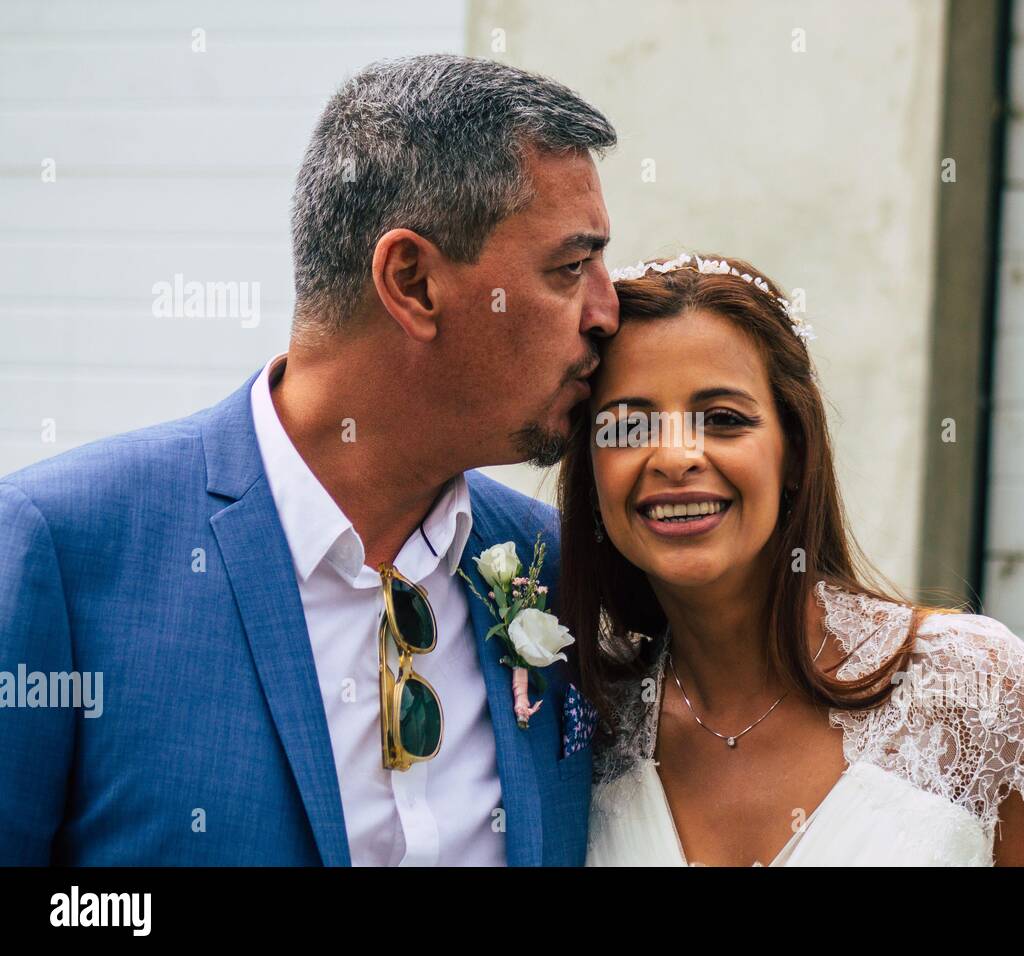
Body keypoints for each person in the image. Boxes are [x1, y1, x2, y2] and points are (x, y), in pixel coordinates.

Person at [0, 54, 618, 866]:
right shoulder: (66, 546)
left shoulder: (557, 563)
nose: (609, 311)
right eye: (570, 268)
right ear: (412, 281)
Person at [557, 253, 1024, 866]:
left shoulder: (974, 690)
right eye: (628, 427)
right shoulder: (588, 721)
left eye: (723, 420)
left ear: (795, 452)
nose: (675, 457)